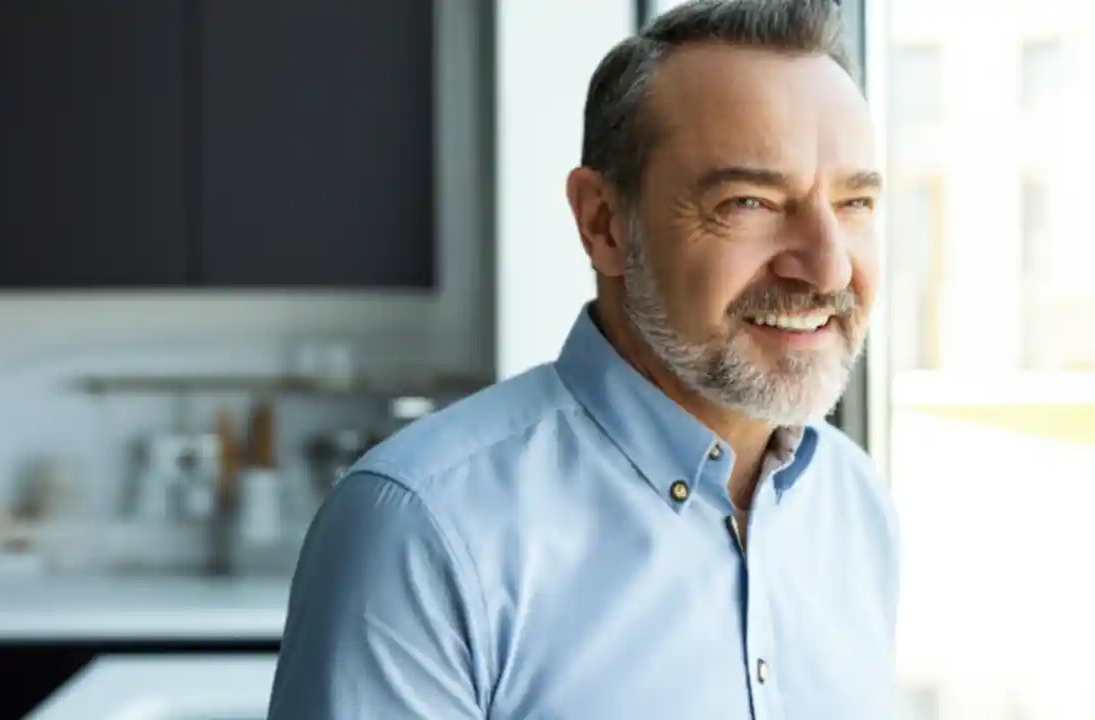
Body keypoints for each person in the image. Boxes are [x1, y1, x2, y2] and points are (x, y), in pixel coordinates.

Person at [268, 0, 897, 717]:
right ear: (603, 223)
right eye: (750, 202)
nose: (826, 269)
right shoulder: (421, 530)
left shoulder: (854, 504)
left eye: (855, 205)